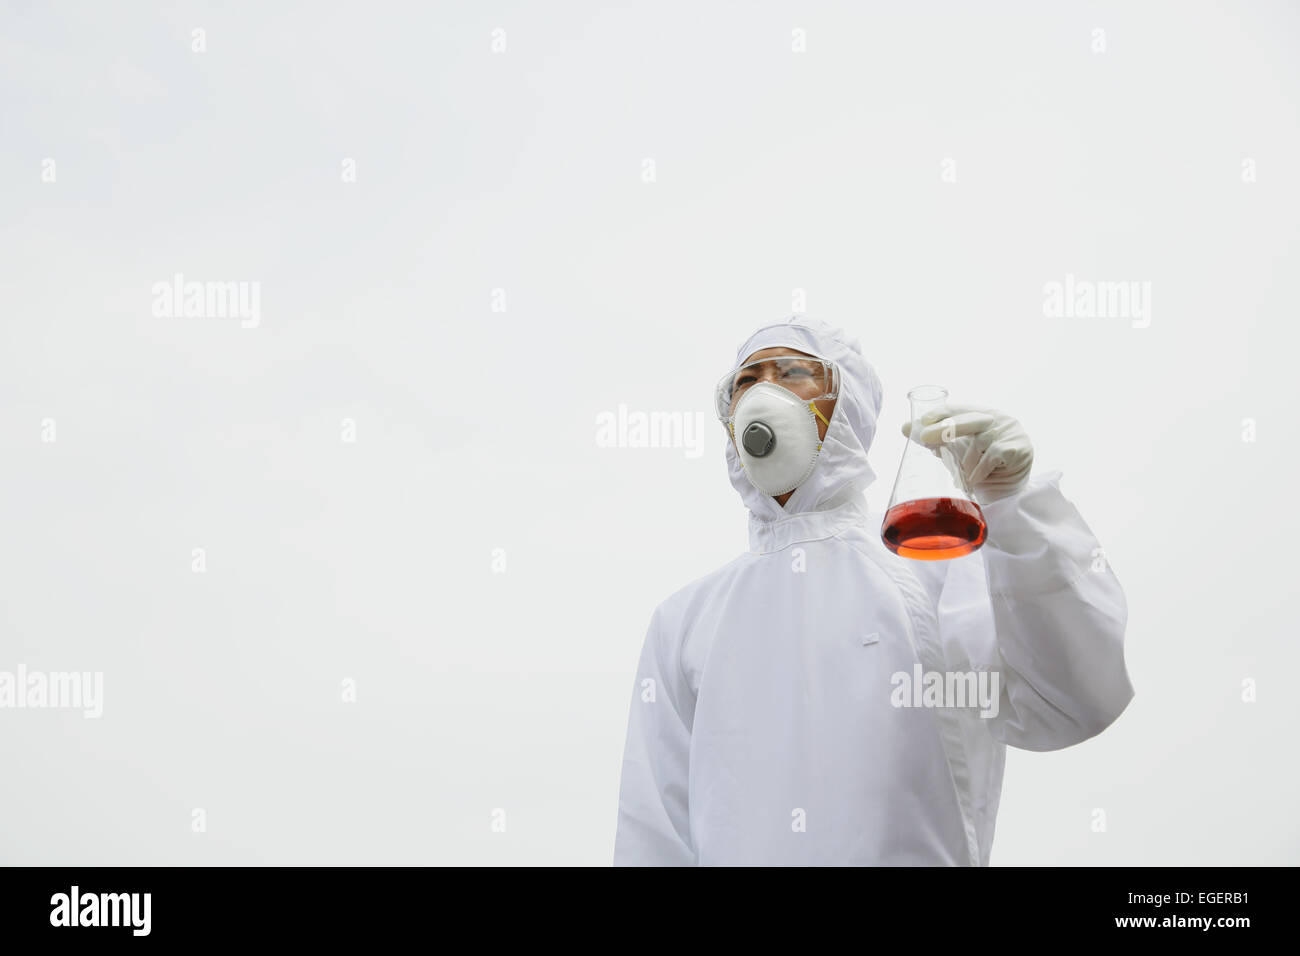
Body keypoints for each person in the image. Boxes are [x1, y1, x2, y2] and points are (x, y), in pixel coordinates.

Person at [611, 315, 1134, 866]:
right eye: (746, 381)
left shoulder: (935, 571)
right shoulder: (685, 621)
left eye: (792, 373)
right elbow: (654, 834)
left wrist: (1014, 507)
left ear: (848, 405)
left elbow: (1076, 700)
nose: (764, 393)